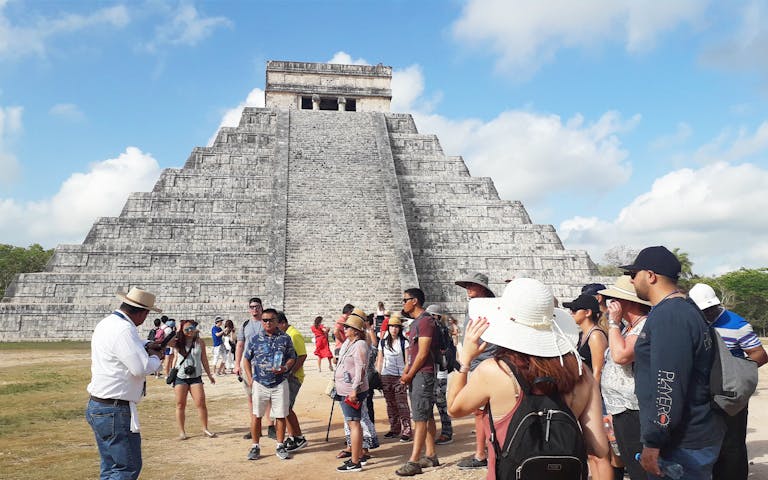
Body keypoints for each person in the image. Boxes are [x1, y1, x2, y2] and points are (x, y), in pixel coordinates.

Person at [447, 277, 609, 480]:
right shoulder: (580, 371)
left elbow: (454, 408)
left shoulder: (495, 370)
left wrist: (464, 362)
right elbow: (599, 448)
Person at [622, 246, 725, 478]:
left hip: (681, 443)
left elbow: (668, 383)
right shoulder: (684, 309)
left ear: (650, 275)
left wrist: (654, 441)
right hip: (691, 436)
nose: (631, 281)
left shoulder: (670, 316)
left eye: (633, 274)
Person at [689, 283, 768, 480]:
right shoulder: (692, 321)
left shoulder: (737, 324)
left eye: (709, 309)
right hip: (702, 394)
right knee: (707, 442)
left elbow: (760, 355)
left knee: (732, 445)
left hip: (730, 394)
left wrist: (736, 372)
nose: (707, 313)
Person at [85, 287, 165, 480]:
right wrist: (157, 358)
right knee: (126, 468)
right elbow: (140, 367)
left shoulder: (108, 323)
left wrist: (146, 345)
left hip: (100, 404)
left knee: (111, 467)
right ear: (142, 313)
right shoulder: (124, 330)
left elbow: (131, 344)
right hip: (115, 409)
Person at [597, 276, 652, 480]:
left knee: (639, 467)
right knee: (629, 460)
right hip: (620, 409)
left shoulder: (643, 326)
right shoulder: (628, 327)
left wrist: (613, 322)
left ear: (627, 302)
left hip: (633, 410)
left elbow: (621, 356)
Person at [454, 271, 496, 470]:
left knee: (483, 412)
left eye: (472, 285)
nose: (468, 289)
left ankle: (482, 454)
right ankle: (484, 451)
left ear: (482, 288)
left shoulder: (491, 307)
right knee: (480, 412)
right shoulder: (473, 306)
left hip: (485, 361)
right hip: (476, 361)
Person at [243, 308, 297, 461]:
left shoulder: (285, 338)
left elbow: (292, 357)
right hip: (260, 382)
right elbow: (246, 358)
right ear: (262, 321)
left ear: (276, 321)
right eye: (265, 320)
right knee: (257, 415)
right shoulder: (255, 339)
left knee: (280, 415)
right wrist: (250, 377)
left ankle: (280, 445)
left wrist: (285, 368)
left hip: (279, 382)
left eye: (271, 320)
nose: (267, 323)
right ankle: (255, 446)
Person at [396, 288, 439, 477]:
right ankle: (430, 455)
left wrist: (409, 373)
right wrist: (407, 371)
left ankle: (414, 461)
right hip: (418, 374)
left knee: (420, 418)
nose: (403, 303)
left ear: (414, 301)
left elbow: (422, 353)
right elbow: (413, 353)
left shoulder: (425, 321)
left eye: (405, 299)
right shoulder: (417, 323)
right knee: (426, 414)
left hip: (423, 374)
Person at [334, 310, 371, 472]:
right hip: (345, 389)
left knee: (354, 423)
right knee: (353, 423)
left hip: (352, 391)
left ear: (355, 330)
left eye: (348, 327)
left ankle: (355, 461)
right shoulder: (348, 343)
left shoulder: (360, 344)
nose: (345, 329)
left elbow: (361, 369)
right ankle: (357, 457)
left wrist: (354, 390)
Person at [172, 319, 216, 440]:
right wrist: (177, 333)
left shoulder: (200, 342)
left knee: (201, 403)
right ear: (182, 330)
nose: (190, 331)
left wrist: (209, 375)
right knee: (180, 404)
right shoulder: (177, 342)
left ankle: (205, 428)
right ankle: (182, 432)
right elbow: (166, 343)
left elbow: (204, 359)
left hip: (195, 377)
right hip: (181, 377)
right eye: (186, 329)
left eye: (192, 328)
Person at [276, 311, 309, 453]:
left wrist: (290, 373)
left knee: (286, 407)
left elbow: (302, 356)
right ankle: (293, 435)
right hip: (286, 376)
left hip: (293, 377)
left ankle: (299, 437)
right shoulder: (285, 334)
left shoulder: (293, 334)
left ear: (282, 323)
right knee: (285, 407)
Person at [376, 313, 412, 441]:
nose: (394, 329)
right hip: (386, 375)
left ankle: (407, 430)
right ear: (388, 328)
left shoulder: (404, 342)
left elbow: (408, 360)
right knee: (390, 404)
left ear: (400, 328)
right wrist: (379, 376)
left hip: (400, 376)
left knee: (402, 404)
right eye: (391, 326)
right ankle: (394, 428)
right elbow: (380, 360)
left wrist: (404, 376)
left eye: (396, 327)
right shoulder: (383, 342)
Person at [234, 297, 264, 440]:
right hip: (248, 365)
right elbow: (240, 345)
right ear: (249, 309)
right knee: (251, 397)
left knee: (267, 396)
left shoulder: (266, 323)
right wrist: (236, 364)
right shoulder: (245, 325)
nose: (254, 309)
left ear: (261, 307)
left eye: (257, 306)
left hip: (264, 364)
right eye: (252, 307)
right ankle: (255, 428)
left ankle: (270, 426)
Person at [425, 304, 453, 445]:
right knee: (431, 401)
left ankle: (447, 431)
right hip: (433, 368)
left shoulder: (440, 330)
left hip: (440, 369)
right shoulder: (436, 329)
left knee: (440, 401)